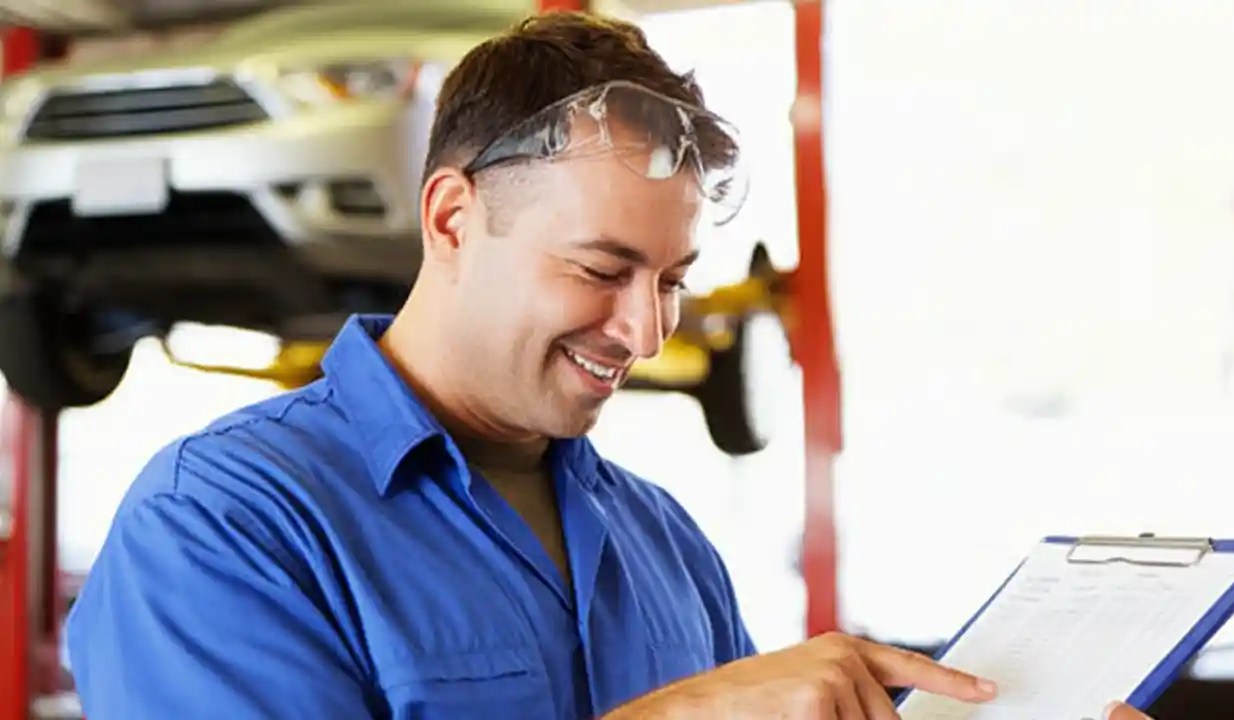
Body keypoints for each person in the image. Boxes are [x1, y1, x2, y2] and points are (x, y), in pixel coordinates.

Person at [64, 11, 1150, 720]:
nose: (645, 331)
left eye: (672, 277)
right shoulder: (223, 523)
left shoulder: (663, 545)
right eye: (600, 267)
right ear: (451, 217)